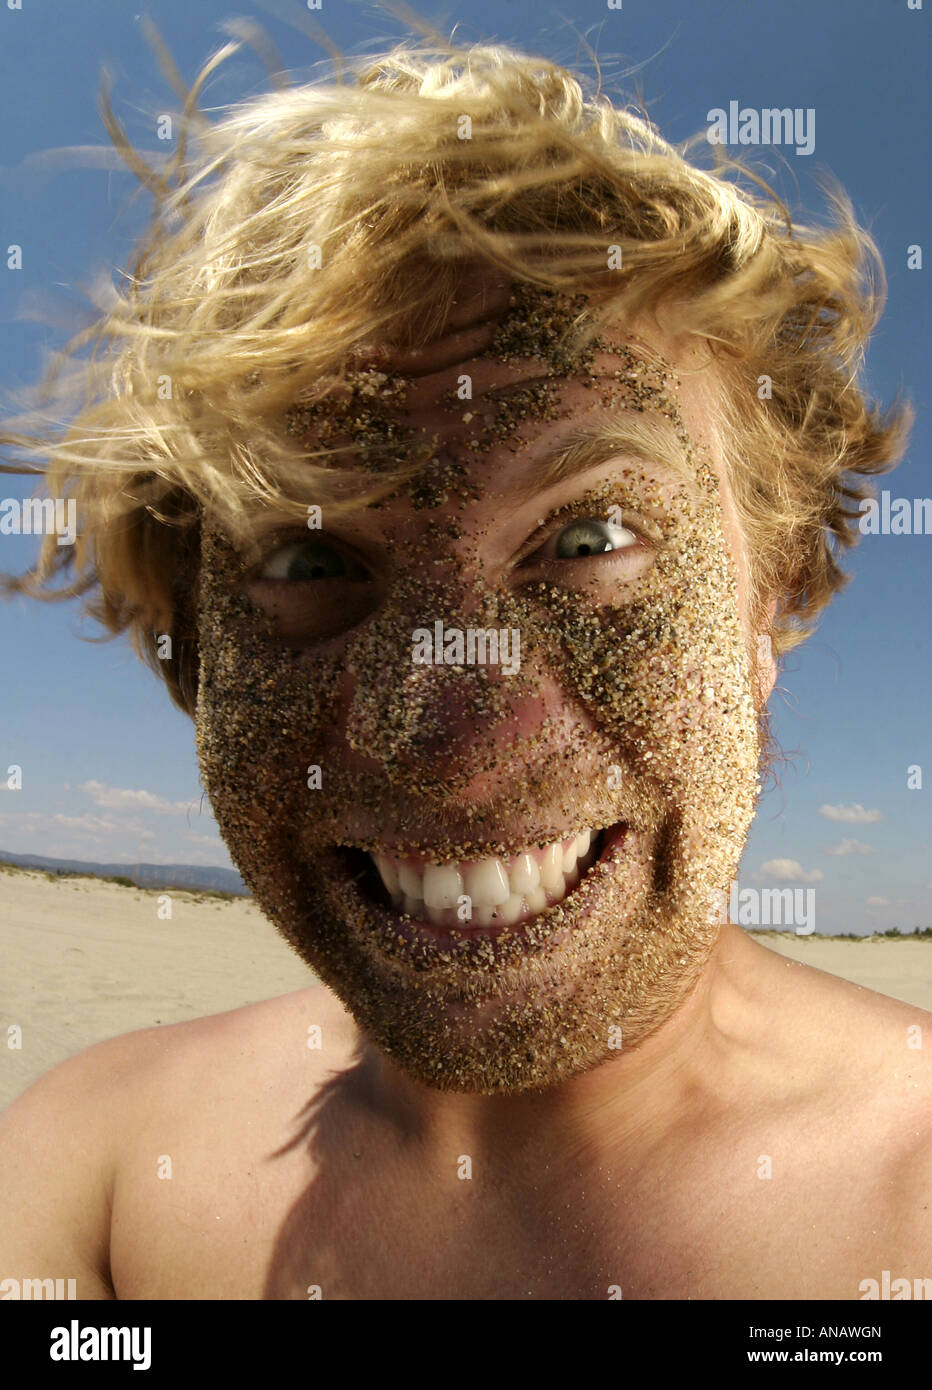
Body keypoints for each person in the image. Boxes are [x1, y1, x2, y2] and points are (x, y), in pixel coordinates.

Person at [0, 34, 928, 1301]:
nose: (443, 732)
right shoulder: (93, 1171)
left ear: (769, 605)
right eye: (309, 562)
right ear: (199, 657)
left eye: (590, 537)